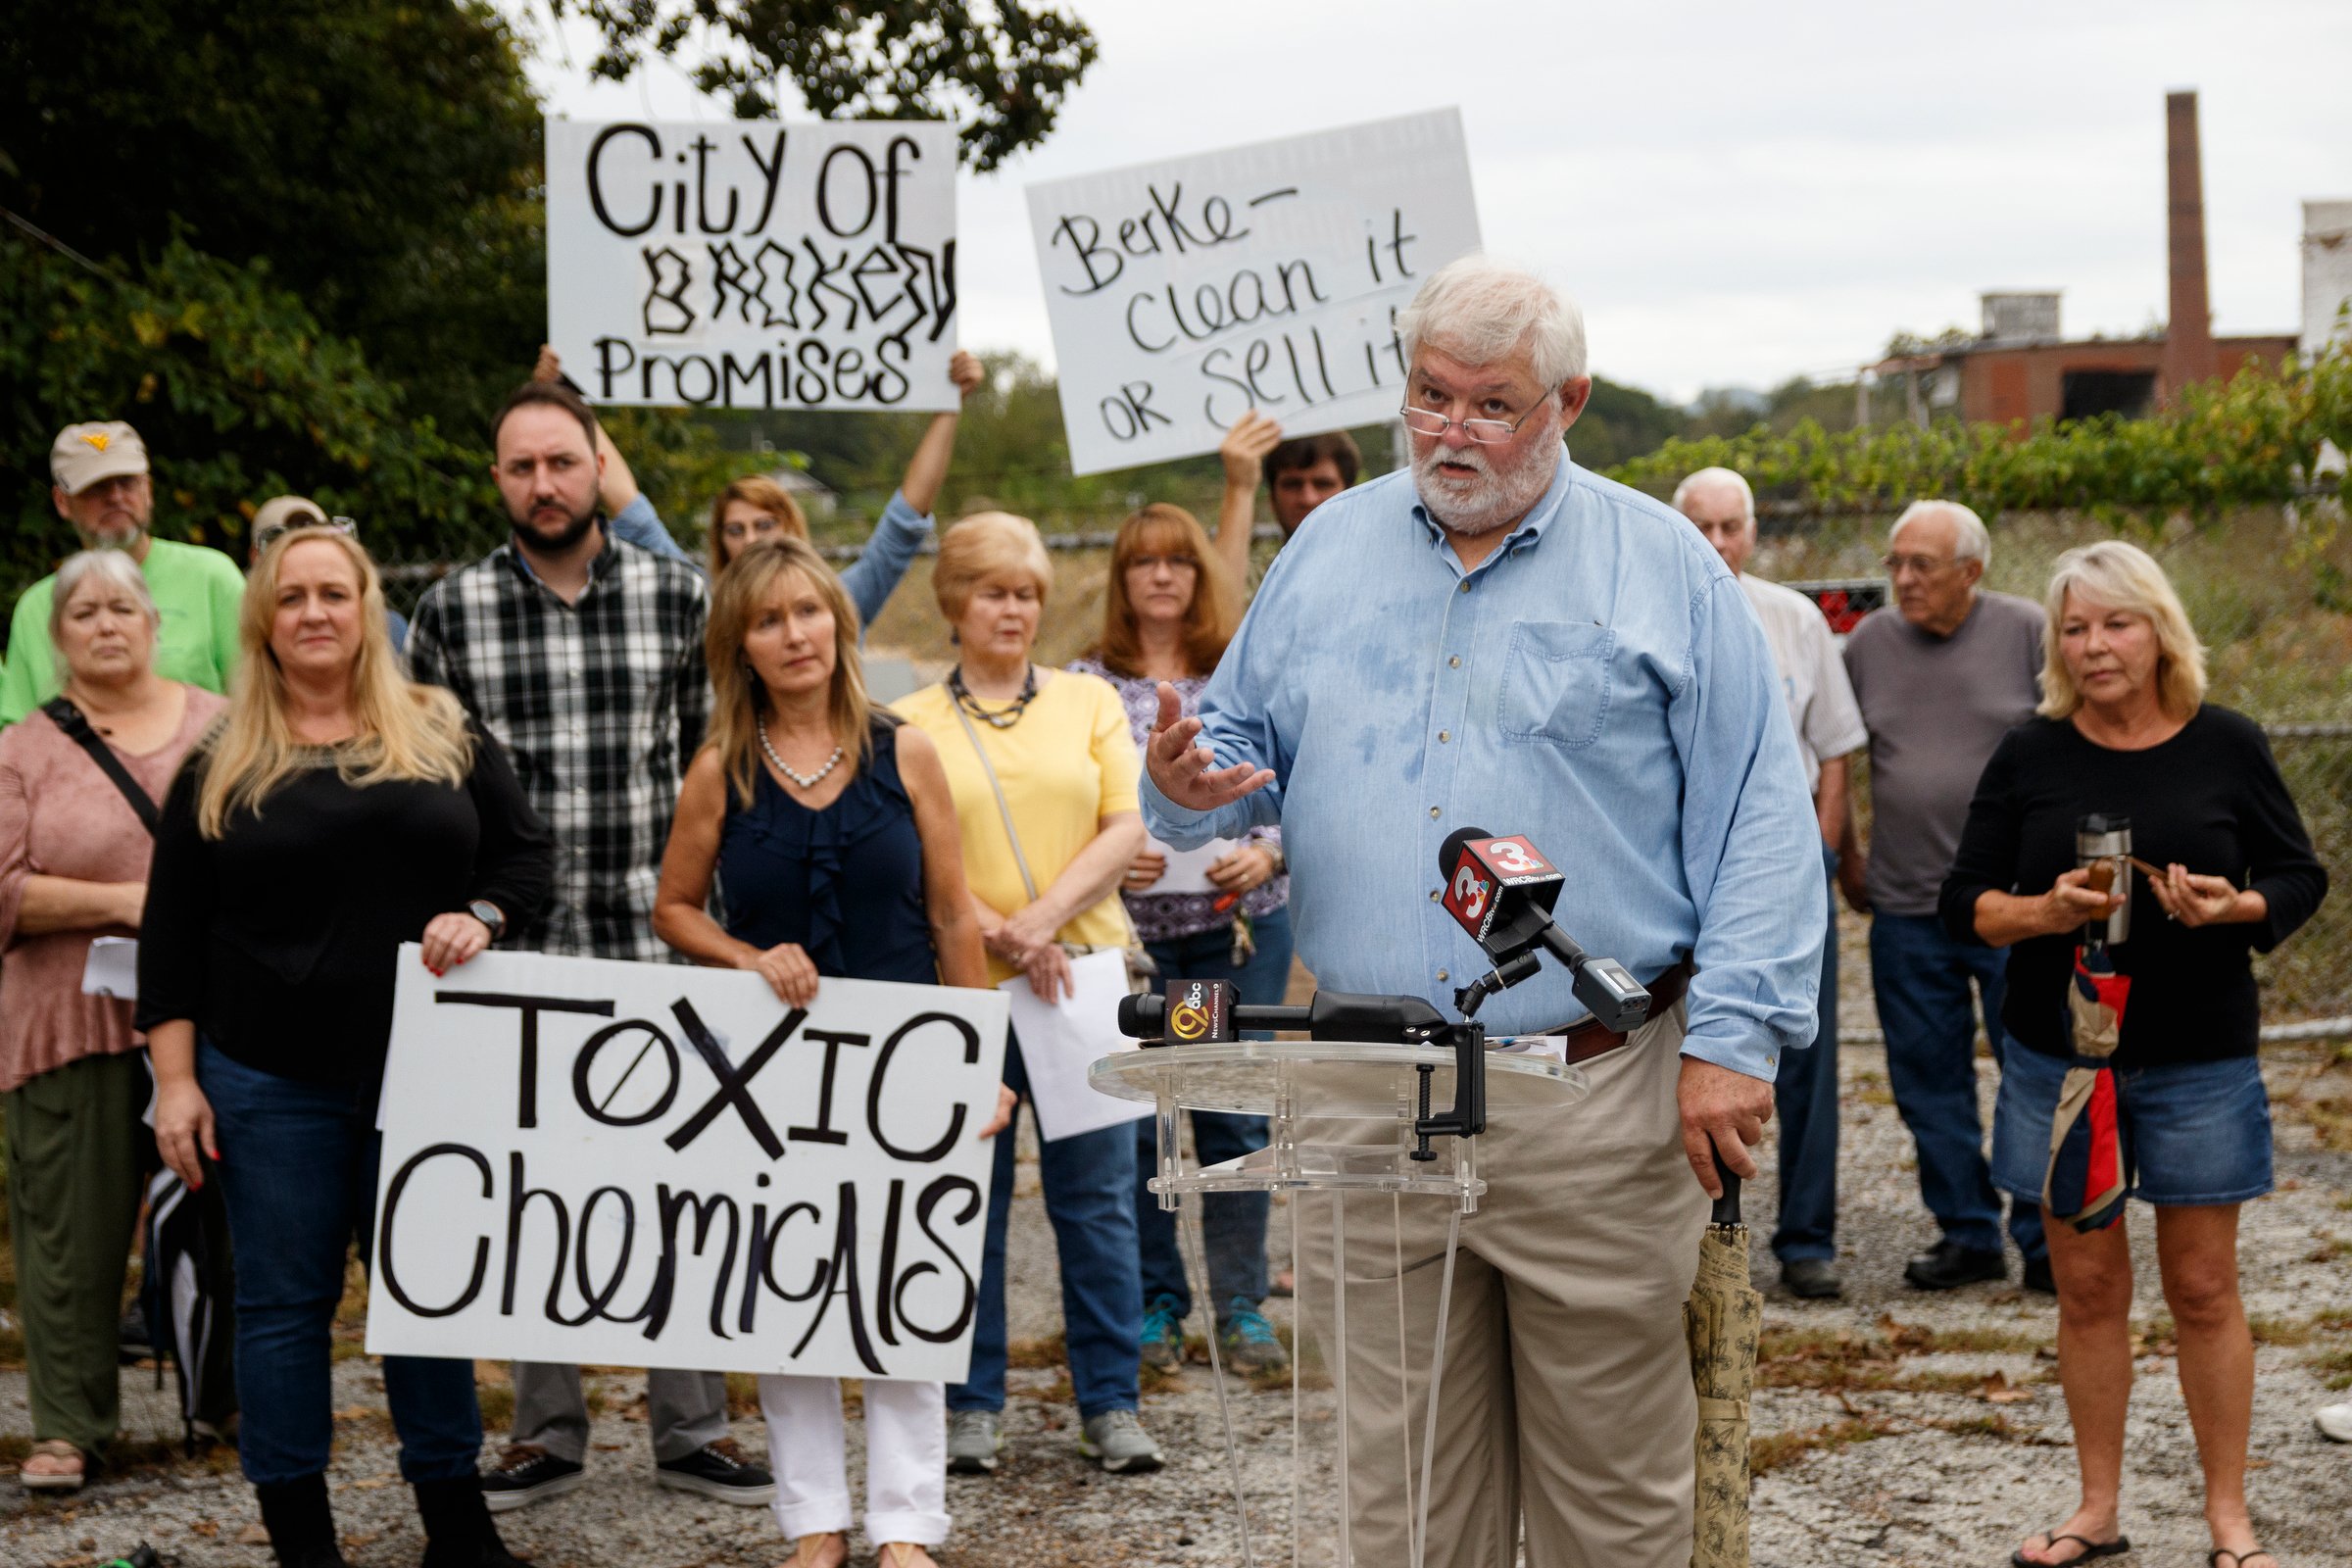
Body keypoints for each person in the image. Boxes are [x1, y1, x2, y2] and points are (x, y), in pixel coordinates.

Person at [1143, 256, 1822, 1567]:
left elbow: (1760, 820)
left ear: (1570, 399)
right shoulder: (1327, 548)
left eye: (1491, 405)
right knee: (1396, 1505)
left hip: (1596, 1096)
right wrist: (1183, 794)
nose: (1452, 432)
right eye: (1429, 397)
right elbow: (1229, 741)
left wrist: (1735, 1044)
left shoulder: (1664, 566)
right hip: (1366, 1090)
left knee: (1613, 1506)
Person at [136, 529, 553, 1567]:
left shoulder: (443, 728)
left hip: (428, 1071)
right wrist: (176, 1083)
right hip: (267, 1077)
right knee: (283, 1307)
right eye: (292, 598)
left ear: (368, 606)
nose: (314, 611)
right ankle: (302, 1537)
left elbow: (525, 857)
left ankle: (455, 1526)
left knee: (426, 1296)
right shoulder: (218, 758)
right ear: (264, 623)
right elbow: (171, 935)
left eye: (334, 592)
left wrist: (489, 914)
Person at [405, 379, 772, 1511]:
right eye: (521, 467)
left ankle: (693, 1425)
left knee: (680, 1183)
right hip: (515, 953)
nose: (543, 485)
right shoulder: (448, 611)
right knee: (530, 1192)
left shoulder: (680, 595)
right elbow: (427, 786)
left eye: (562, 462)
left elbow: (728, 768)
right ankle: (545, 1429)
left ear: (594, 465)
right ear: (497, 478)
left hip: (667, 940)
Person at [1940, 539, 2325, 1568]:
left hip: (2199, 1055)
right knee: (2090, 1289)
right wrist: (2043, 911)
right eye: (2075, 627)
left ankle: (2228, 1518)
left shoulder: (2227, 743)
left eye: (2117, 622)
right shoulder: (2031, 752)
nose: (2096, 644)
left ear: (2159, 630)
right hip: (2062, 1059)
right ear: (2056, 645)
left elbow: (2299, 877)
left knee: (2203, 1287)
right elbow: (1962, 904)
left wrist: (2232, 906)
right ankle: (2097, 1509)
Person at [654, 536, 1011, 1568]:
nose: (794, 634)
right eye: (768, 621)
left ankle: (907, 1524)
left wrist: (977, 1059)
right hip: (769, 1078)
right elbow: (673, 908)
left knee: (902, 1283)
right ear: (743, 646)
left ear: (838, 624)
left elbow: (951, 916)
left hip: (902, 1063)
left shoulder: (909, 753)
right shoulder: (720, 767)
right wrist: (746, 953)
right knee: (787, 1296)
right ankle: (814, 1520)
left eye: (808, 611)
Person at [893, 513, 1163, 1477]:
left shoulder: (1088, 702)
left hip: (1080, 980)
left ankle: (1112, 1402)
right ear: (953, 601)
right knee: (967, 1200)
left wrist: (1041, 919)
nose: (1014, 609)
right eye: (994, 590)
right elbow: (915, 854)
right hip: (962, 989)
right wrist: (995, 932)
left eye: (1029, 592)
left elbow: (1124, 827)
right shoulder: (911, 719)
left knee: (1098, 1202)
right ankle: (971, 1403)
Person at [0, 552, 225, 1492]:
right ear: (57, 637)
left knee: (226, 1229)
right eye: (83, 611)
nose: (105, 624)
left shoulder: (222, 726)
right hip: (68, 1025)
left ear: (154, 623)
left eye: (123, 608)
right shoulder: (22, 750)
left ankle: (230, 1405)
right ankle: (68, 1426)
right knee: (68, 1237)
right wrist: (131, 902)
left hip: (210, 1021)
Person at [1067, 503, 1293, 1373]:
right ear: (1120, 580)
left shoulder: (1239, 676)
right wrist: (1107, 863)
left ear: (1202, 576)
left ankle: (1241, 1308)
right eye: (1142, 562)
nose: (1161, 576)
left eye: (1179, 562)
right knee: (1139, 1123)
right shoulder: (1084, 683)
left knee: (1233, 1120)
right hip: (1135, 948)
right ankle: (1155, 1304)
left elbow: (1301, 784)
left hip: (1234, 938)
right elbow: (1073, 808)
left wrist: (1268, 854)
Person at [1843, 499, 2054, 1292]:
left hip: (2014, 906)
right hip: (1907, 908)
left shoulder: (2028, 630)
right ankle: (1967, 1234)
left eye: (1920, 566)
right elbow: (1838, 752)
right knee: (1927, 1080)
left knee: (2030, 1070)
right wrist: (1850, 855)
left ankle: (2041, 1240)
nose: (1901, 580)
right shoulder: (1868, 644)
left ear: (1972, 571)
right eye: (1895, 562)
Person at [1675, 466, 1867, 1299]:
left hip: (1786, 876)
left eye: (1731, 527)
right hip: (1685, 881)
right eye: (1703, 527)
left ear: (1753, 532)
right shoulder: (1658, 611)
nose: (1718, 544)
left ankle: (1808, 1239)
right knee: (1695, 1056)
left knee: (1808, 1057)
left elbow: (1833, 751)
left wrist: (1819, 858)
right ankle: (1703, 1237)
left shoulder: (1796, 621)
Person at [532, 345, 987, 626]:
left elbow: (906, 517)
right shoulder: (700, 601)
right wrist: (566, 398)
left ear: (790, 528)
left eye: (764, 525)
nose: (751, 541)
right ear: (720, 541)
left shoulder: (843, 600)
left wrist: (949, 405)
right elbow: (627, 504)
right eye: (736, 529)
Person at [0, 422, 246, 724]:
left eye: (127, 482)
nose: (115, 497)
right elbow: (16, 740)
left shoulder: (212, 577)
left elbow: (261, 701)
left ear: (148, 490)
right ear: (62, 501)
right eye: (96, 487)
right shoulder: (37, 607)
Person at [1210, 413, 1359, 586]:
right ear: (1272, 498)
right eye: (1293, 484)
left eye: (1322, 484)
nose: (1308, 498)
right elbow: (1221, 602)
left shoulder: (1379, 567)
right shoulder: (1261, 580)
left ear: (1352, 493)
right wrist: (1240, 487)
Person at [249, 499, 410, 652]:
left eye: (334, 595)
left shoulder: (390, 628)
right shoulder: (232, 623)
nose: (314, 615)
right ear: (256, 557)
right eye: (291, 598)